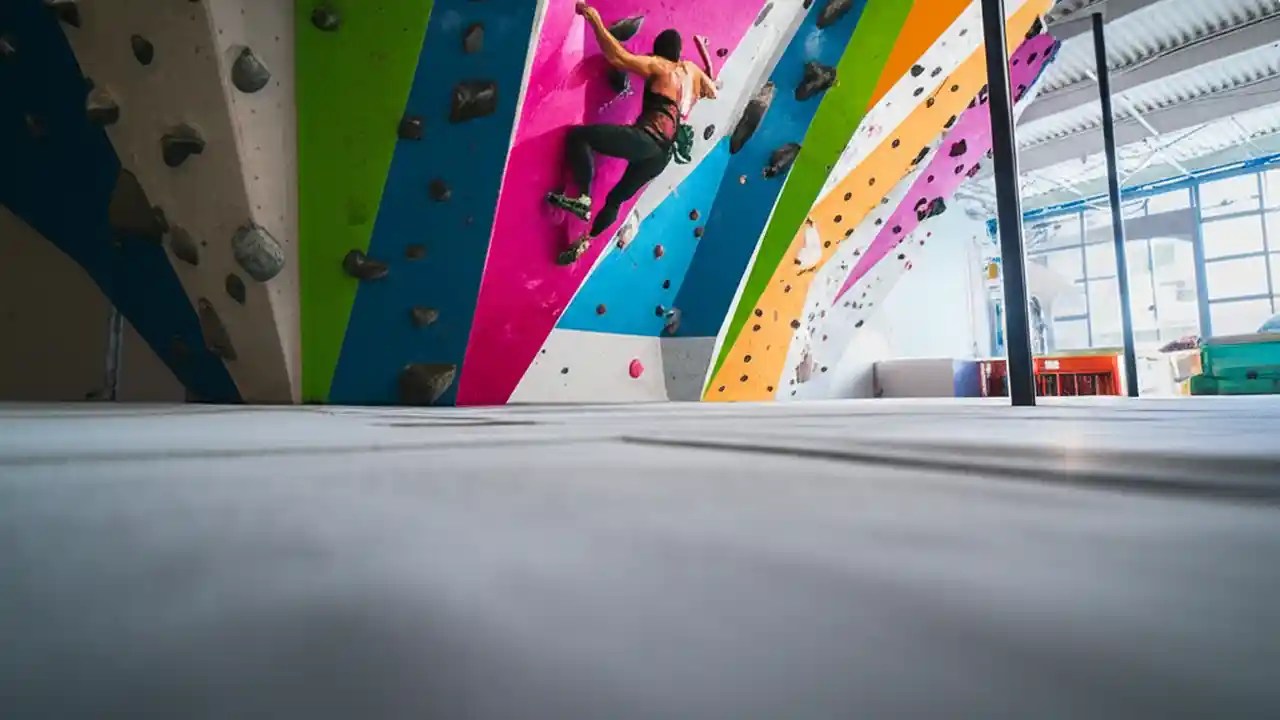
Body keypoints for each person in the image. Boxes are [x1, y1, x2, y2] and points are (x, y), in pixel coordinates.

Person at [547, 1, 718, 265]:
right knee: (616, 199)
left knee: (580, 137)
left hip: (646, 139)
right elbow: (713, 90)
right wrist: (705, 58)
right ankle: (587, 240)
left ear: (659, 53)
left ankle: (583, 196)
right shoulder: (692, 74)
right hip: (661, 157)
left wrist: (594, 19)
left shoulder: (661, 66)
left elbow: (618, 57)